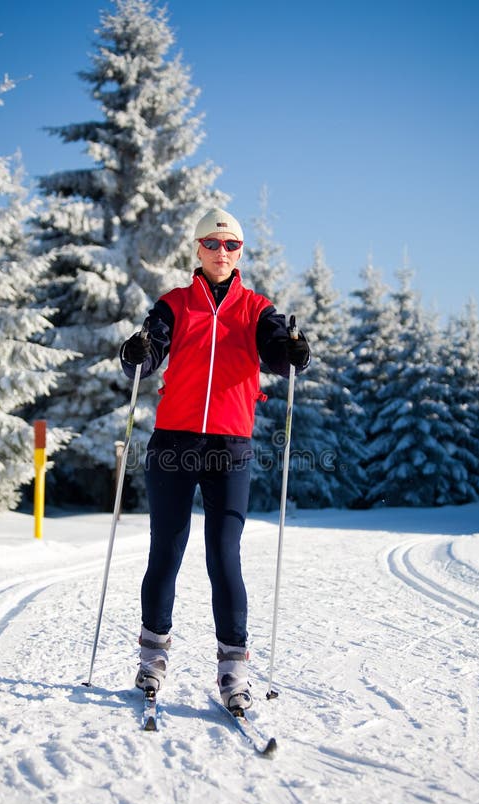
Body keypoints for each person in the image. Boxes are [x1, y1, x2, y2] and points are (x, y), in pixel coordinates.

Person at [120, 207, 310, 712]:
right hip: (174, 443)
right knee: (167, 549)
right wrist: (140, 349)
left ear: (240, 252)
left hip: (230, 447)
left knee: (224, 555)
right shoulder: (175, 304)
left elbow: (274, 351)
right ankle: (152, 656)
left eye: (231, 245)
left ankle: (233, 667)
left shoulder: (256, 309)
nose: (221, 252)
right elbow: (153, 344)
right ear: (197, 249)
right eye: (211, 243)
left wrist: (291, 352)